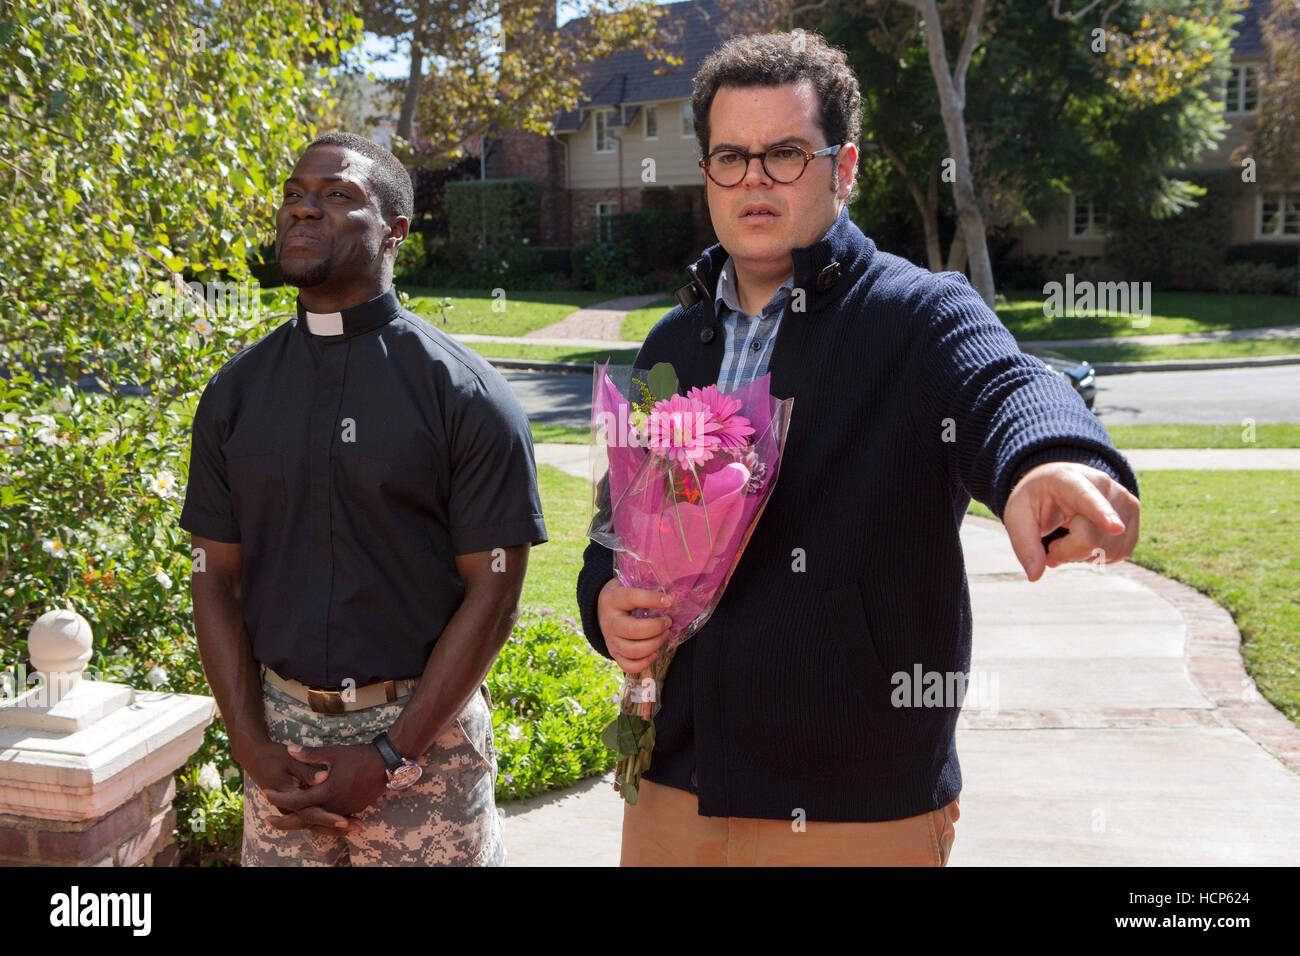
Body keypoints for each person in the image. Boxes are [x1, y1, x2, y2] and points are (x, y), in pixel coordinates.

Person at [576, 32, 1141, 867]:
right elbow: (615, 528)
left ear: (843, 169)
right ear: (706, 177)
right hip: (674, 785)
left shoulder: (916, 314)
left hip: (854, 807)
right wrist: (604, 604)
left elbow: (1006, 385)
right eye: (730, 156)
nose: (755, 178)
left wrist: (1047, 457)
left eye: (786, 154)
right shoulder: (672, 340)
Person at [181, 132, 546, 866]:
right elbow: (212, 578)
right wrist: (250, 744)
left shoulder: (466, 397)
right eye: (293, 195)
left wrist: (389, 753)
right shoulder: (234, 395)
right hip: (280, 756)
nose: (303, 210)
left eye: (337, 195)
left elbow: (494, 596)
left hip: (426, 760)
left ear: (395, 231)